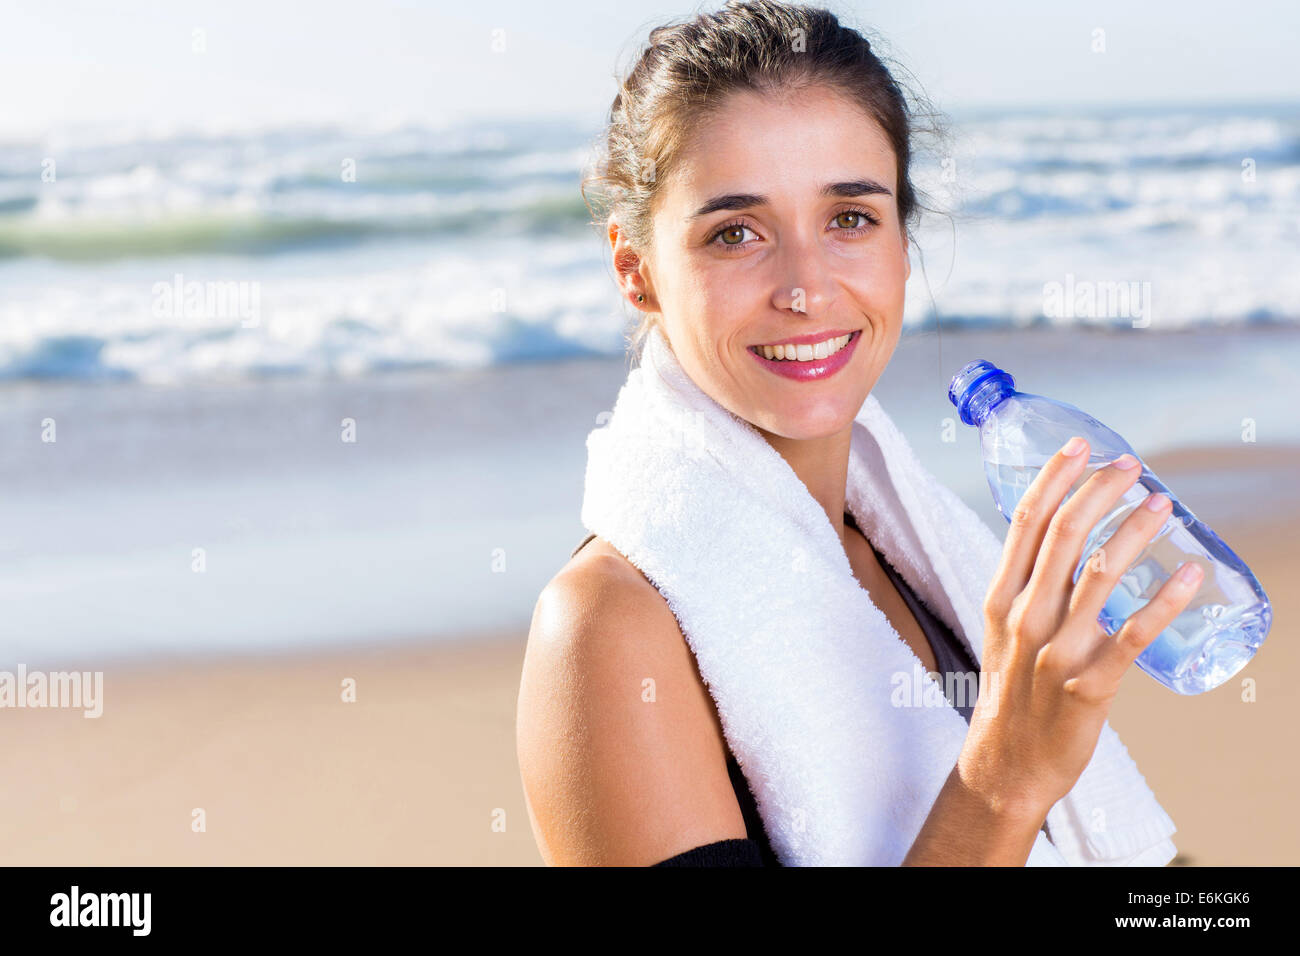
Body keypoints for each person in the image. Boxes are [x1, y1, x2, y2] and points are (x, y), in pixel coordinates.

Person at [515, 0, 1196, 866]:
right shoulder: (607, 630)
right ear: (636, 272)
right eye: (735, 233)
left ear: (901, 243)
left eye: (849, 218)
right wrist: (1007, 777)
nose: (806, 287)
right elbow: (1008, 791)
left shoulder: (923, 552)